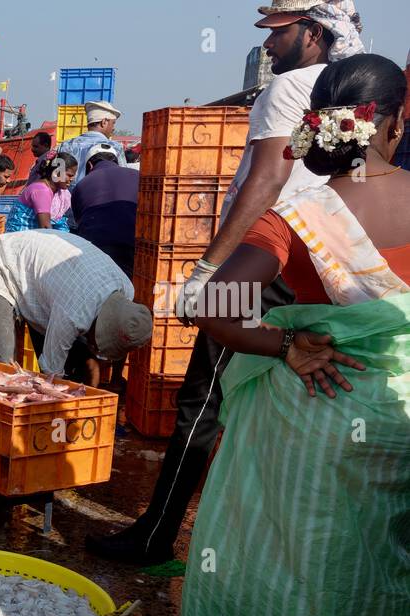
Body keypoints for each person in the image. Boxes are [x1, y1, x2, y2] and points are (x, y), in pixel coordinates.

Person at [178, 53, 408, 616]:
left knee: (314, 565)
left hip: (320, 412)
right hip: (400, 417)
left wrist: (284, 347)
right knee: (388, 567)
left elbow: (212, 310)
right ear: (396, 122)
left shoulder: (302, 217)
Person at [87, 0, 362, 566]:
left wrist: (209, 272)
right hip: (327, 263)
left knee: (201, 399)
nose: (267, 44)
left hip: (266, 262)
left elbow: (266, 181)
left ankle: (157, 537)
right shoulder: (355, 89)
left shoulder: (286, 91)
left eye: (278, 33)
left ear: (313, 33)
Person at [0, 230, 154, 383]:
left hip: (40, 282)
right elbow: (51, 374)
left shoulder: (125, 288)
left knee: (85, 363)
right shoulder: (73, 314)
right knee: (4, 369)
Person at [71, 143, 140, 275]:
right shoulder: (137, 176)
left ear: (90, 165)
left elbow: (78, 221)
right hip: (134, 245)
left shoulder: (81, 185)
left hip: (96, 249)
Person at [57, 101, 129, 186]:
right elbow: (123, 179)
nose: (113, 128)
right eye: (113, 123)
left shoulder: (66, 145)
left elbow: (58, 178)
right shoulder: (114, 147)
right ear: (104, 122)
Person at [5, 152, 77, 231]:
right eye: (69, 175)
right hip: (21, 237)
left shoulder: (57, 192)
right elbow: (45, 227)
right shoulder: (41, 190)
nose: (72, 179)